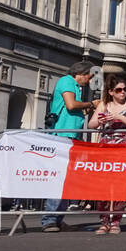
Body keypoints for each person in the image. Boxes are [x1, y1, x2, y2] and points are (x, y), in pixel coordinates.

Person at [41, 61, 97, 232]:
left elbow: (74, 110)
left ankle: (58, 217)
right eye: (89, 77)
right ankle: (49, 219)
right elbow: (71, 105)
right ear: (82, 73)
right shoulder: (66, 81)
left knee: (67, 180)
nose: (89, 81)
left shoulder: (75, 87)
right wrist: (90, 104)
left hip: (71, 135)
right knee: (59, 179)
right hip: (62, 135)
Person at [87, 76, 126, 233]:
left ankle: (116, 221)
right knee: (103, 187)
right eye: (119, 90)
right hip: (105, 149)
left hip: (124, 149)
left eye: (124, 89)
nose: (123, 92)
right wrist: (100, 121)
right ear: (111, 92)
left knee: (120, 186)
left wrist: (119, 116)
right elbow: (91, 124)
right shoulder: (104, 104)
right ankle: (104, 221)